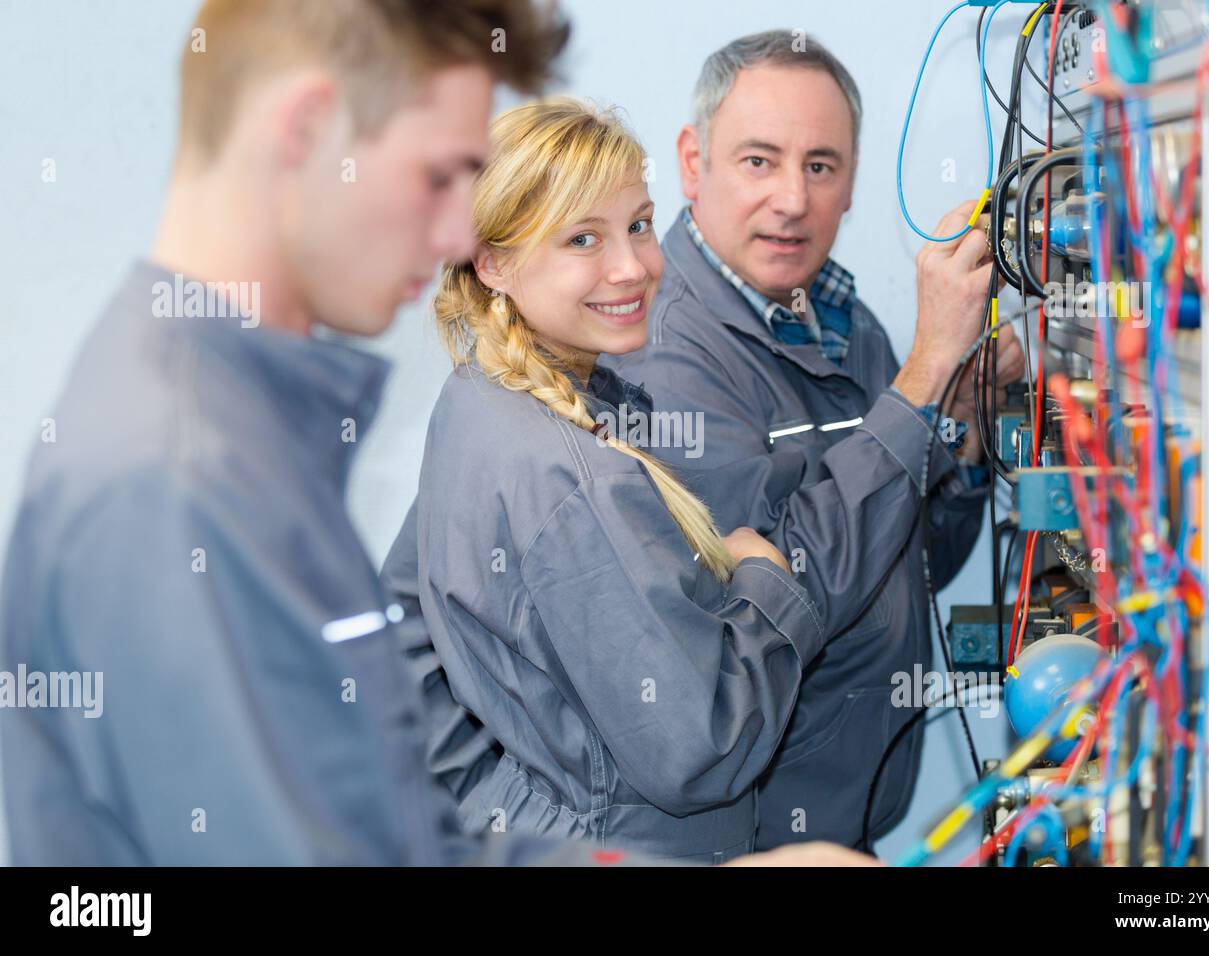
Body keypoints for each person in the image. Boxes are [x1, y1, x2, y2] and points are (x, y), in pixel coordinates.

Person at [0, 0, 869, 868]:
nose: (461, 235)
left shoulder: (234, 434)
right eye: (437, 175)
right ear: (303, 131)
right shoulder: (178, 478)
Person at [381, 97, 878, 863]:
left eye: (639, 225)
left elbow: (408, 634)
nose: (633, 267)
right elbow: (703, 750)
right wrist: (764, 583)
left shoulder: (477, 400)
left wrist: (492, 809)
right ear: (494, 263)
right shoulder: (574, 475)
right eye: (583, 239)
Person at [606, 30, 1025, 850]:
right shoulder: (663, 350)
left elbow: (909, 552)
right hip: (758, 843)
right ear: (692, 163)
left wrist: (963, 422)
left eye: (821, 165)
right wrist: (927, 369)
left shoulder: (840, 318)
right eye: (759, 161)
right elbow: (776, 588)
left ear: (851, 183)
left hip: (849, 823)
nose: (793, 199)